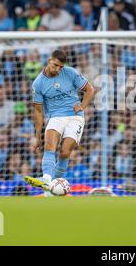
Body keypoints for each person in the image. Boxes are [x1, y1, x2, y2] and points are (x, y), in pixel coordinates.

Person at [24, 50, 95, 196]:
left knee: (65, 152)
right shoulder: (38, 83)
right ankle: (46, 179)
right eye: (55, 65)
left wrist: (82, 106)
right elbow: (38, 111)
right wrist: (37, 135)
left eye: (60, 67)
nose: (57, 69)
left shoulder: (70, 73)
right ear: (49, 60)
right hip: (55, 117)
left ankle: (53, 189)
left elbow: (90, 90)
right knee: (50, 146)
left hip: (75, 118)